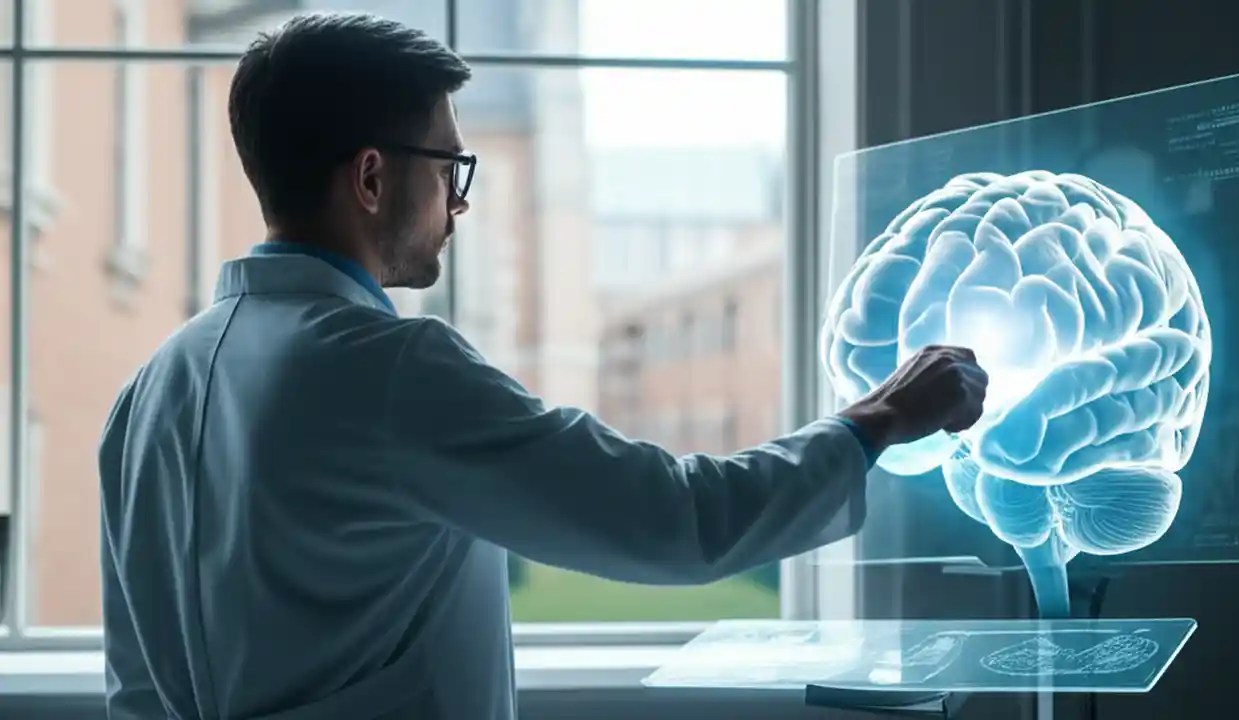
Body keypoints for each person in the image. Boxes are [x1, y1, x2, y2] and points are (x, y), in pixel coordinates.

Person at [97, 12, 988, 720]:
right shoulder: (389, 371)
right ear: (371, 179)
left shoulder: (148, 393)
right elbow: (676, 520)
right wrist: (880, 418)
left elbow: (135, 685)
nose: (461, 200)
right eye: (449, 166)